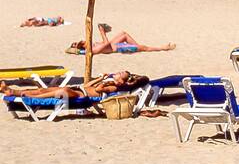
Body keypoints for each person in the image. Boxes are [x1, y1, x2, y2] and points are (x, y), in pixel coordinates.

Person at [0, 69, 148, 102]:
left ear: (121, 81)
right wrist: (99, 78)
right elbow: (87, 84)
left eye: (119, 74)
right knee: (44, 89)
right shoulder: (107, 80)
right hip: (79, 89)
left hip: (81, 95)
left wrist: (104, 84)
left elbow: (96, 90)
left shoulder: (114, 87)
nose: (116, 73)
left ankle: (29, 97)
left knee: (60, 90)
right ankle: (11, 91)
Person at [68, 26, 175, 53]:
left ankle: (137, 47)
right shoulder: (93, 50)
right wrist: (102, 33)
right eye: (82, 42)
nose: (84, 40)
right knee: (144, 48)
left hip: (112, 45)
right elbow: (105, 44)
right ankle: (163, 48)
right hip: (118, 48)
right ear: (82, 45)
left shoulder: (91, 46)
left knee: (123, 33)